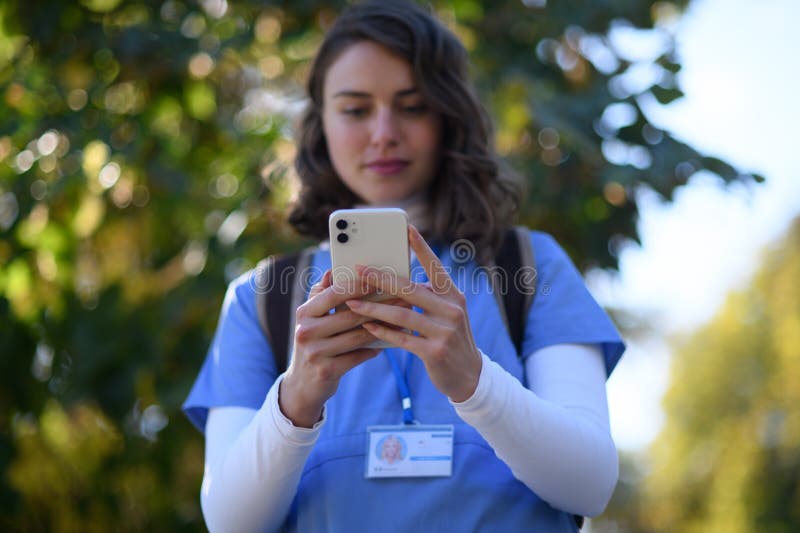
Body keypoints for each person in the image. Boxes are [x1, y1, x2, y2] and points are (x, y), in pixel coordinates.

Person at [183, 1, 626, 531]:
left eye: (412, 106)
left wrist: (473, 379)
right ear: (320, 124)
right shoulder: (263, 299)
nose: (384, 132)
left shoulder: (530, 266)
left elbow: (592, 484)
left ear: (448, 117)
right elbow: (230, 523)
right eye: (355, 109)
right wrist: (297, 396)